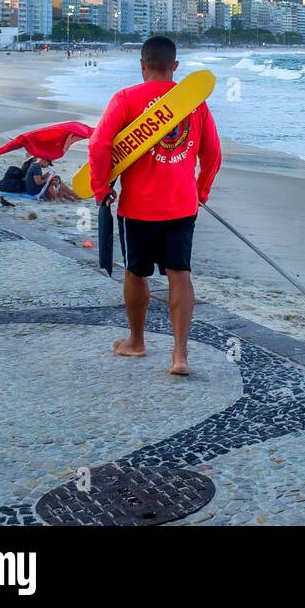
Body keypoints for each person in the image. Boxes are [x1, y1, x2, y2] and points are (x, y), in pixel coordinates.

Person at [89, 36, 221, 376]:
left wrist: (101, 187)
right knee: (180, 273)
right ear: (175, 67)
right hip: (181, 204)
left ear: (142, 65)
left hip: (138, 207)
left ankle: (137, 341)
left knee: (136, 272)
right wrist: (201, 191)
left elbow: (100, 145)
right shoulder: (195, 104)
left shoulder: (125, 99)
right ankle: (180, 356)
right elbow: (213, 154)